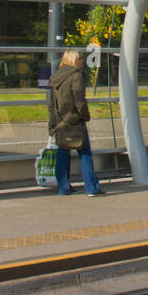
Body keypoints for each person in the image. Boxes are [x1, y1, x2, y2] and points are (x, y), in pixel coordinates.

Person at [48, 50, 103, 196]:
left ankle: (63, 187)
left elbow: (51, 104)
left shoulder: (56, 76)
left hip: (60, 122)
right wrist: (85, 116)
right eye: (80, 58)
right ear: (72, 60)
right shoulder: (76, 75)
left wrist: (52, 124)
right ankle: (91, 187)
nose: (82, 61)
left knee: (63, 152)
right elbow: (80, 100)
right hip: (75, 120)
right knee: (85, 153)